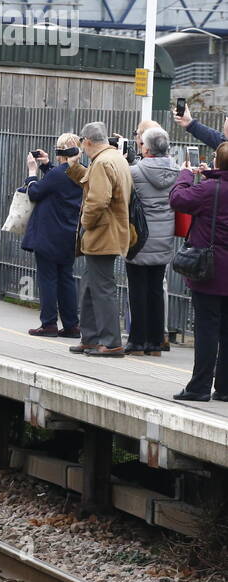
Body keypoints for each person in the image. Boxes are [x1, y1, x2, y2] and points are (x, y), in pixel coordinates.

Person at [65, 121, 133, 357]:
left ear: (87, 141)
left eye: (82, 142)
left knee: (102, 288)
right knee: (90, 286)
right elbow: (96, 184)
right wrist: (75, 168)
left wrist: (86, 223)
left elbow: (98, 199)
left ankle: (111, 341)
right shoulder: (113, 158)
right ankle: (92, 338)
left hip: (103, 233)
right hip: (110, 231)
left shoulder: (102, 162)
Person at [168, 142, 228, 401]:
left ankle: (199, 386)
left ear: (217, 163)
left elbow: (177, 199)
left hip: (210, 271)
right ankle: (225, 388)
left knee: (206, 330)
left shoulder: (208, 190)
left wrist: (185, 175)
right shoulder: (211, 187)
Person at [22, 135, 84, 337]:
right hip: (69, 232)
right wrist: (47, 165)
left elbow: (36, 192)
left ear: (62, 152)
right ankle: (71, 325)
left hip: (49, 233)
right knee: (66, 278)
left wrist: (32, 172)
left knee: (47, 279)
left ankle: (48, 323)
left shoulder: (58, 174)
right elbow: (59, 183)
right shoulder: (81, 172)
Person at [125, 126, 177, 356]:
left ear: (147, 149)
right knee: (156, 289)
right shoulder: (176, 172)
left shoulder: (134, 172)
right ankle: (156, 342)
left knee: (137, 290)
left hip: (140, 237)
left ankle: (137, 341)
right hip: (164, 236)